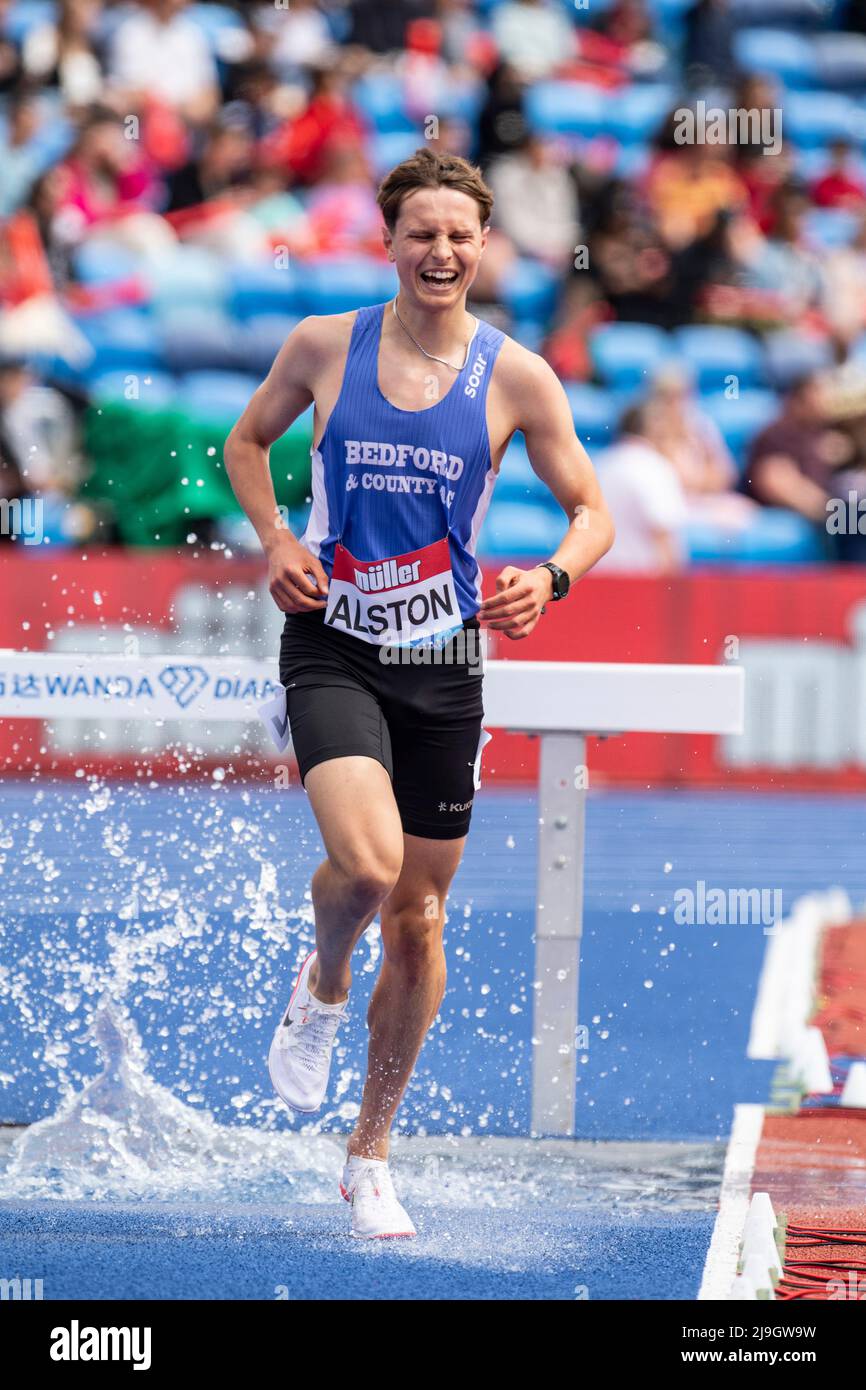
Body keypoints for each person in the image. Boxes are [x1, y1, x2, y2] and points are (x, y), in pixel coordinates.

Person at [224, 147, 613, 1238]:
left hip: (443, 667)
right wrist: (272, 538)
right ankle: (324, 980)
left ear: (482, 246)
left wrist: (550, 576)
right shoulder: (323, 347)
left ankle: (370, 1154)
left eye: (459, 235)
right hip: (333, 643)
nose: (439, 252)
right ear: (388, 241)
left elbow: (592, 509)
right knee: (367, 863)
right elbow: (245, 442)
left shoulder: (518, 377)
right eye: (420, 234)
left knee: (423, 919)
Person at [593, 401, 689, 572]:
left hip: (596, 578)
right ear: (655, 431)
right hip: (642, 582)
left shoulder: (599, 464)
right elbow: (664, 535)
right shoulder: (655, 467)